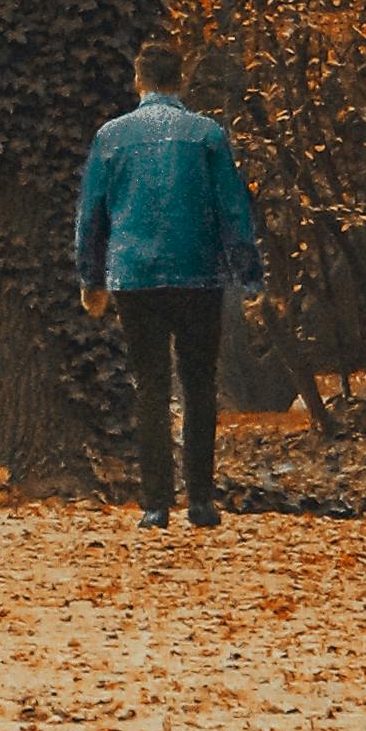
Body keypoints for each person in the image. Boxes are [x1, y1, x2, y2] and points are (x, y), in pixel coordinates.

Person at [74, 39, 270, 531]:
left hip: (133, 275)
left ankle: (154, 504)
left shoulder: (112, 137)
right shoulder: (206, 135)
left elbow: (90, 214)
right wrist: (248, 274)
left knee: (150, 388)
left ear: (139, 81)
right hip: (197, 272)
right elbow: (233, 210)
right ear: (180, 80)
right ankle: (200, 501)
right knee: (200, 385)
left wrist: (91, 276)